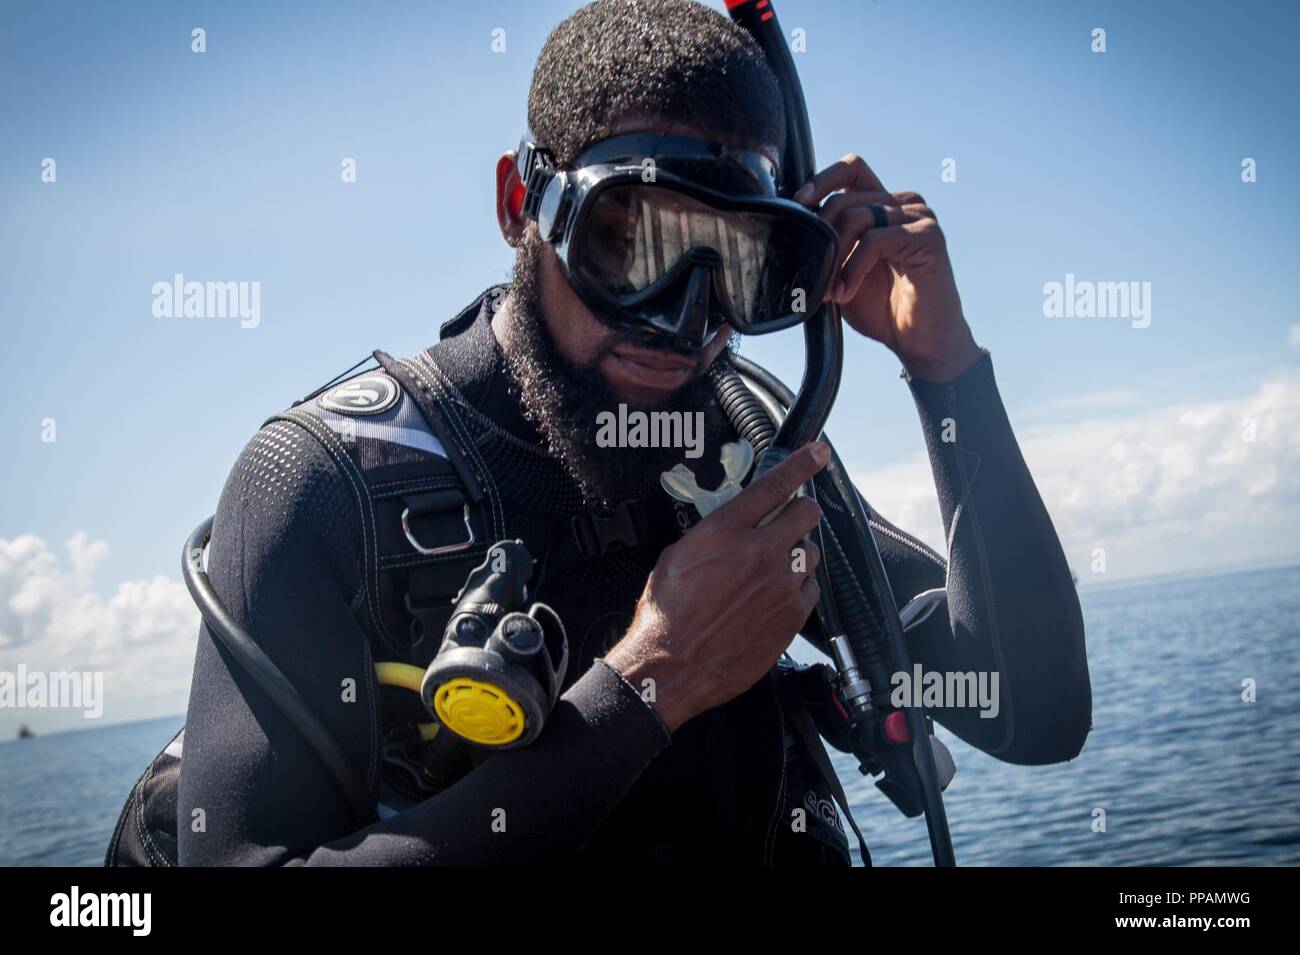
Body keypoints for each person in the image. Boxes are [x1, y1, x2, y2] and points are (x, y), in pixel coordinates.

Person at [107, 0, 1090, 867]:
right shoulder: (333, 484)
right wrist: (652, 685)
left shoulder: (738, 444)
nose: (681, 326)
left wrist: (944, 364)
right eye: (632, 245)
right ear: (517, 204)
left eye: (734, 267)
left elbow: (1033, 709)